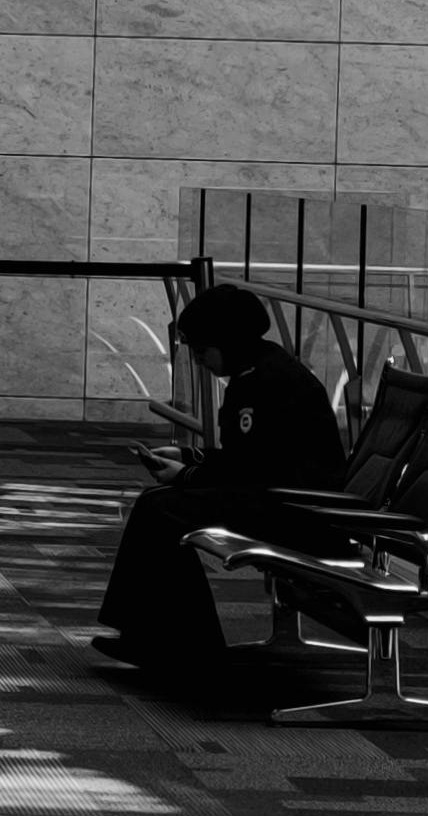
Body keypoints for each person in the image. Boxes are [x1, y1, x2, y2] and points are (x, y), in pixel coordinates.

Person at [95, 284, 346, 683]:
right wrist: (190, 459)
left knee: (162, 509)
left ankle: (185, 647)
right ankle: (156, 639)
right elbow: (249, 460)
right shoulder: (265, 371)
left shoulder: (266, 383)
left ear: (228, 341)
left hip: (295, 513)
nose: (200, 361)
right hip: (282, 501)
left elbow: (252, 469)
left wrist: (189, 476)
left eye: (201, 350)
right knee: (160, 504)